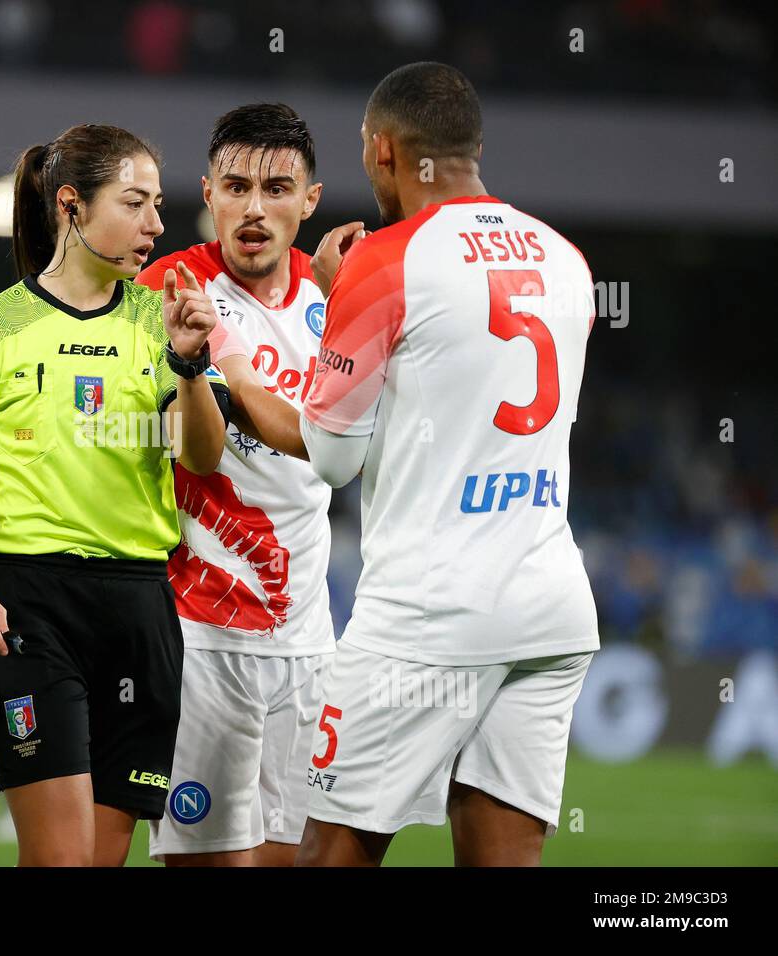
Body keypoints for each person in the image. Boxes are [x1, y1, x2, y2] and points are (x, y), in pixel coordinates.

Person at [0, 124, 237, 867]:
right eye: (134, 202)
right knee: (61, 859)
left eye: (158, 205)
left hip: (141, 611)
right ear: (71, 206)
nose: (155, 224)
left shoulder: (165, 319)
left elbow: (204, 458)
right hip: (28, 611)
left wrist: (189, 364)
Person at [295, 63, 600, 866]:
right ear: (474, 148)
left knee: (330, 851)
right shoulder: (567, 260)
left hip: (430, 612)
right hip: (550, 607)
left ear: (383, 150)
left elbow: (332, 460)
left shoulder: (385, 261)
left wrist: (338, 307)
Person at [136, 104, 362, 866]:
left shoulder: (334, 296)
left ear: (311, 199)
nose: (254, 207)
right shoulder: (174, 286)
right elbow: (233, 430)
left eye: (277, 188)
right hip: (200, 633)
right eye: (235, 186)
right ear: (208, 192)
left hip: (307, 640)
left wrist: (346, 309)